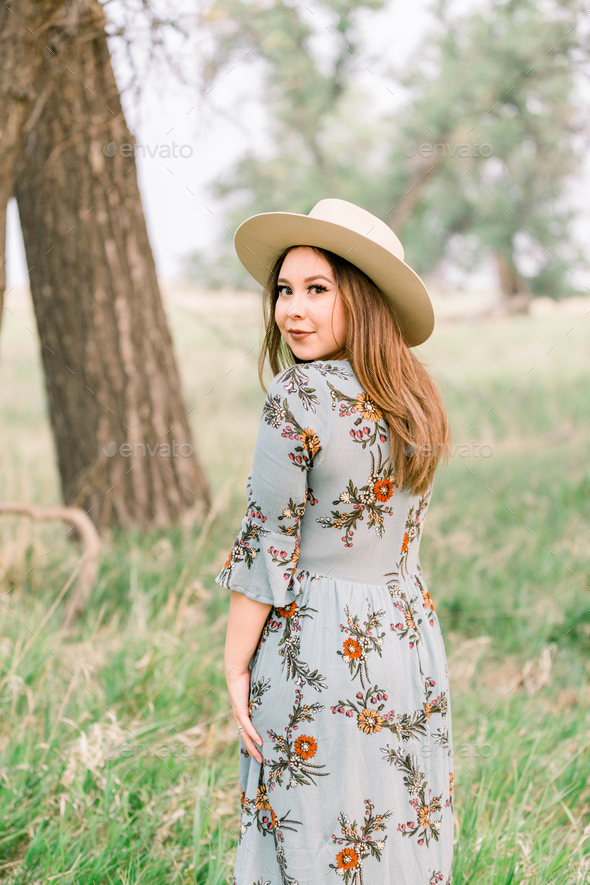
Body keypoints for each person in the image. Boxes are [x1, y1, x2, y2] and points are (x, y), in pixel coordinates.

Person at [215, 198, 454, 885]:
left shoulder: (296, 394)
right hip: (405, 639)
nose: (294, 309)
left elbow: (268, 543)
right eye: (285, 290)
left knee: (311, 831)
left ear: (363, 298)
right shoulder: (415, 393)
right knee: (393, 825)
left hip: (318, 640)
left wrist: (236, 663)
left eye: (318, 290)